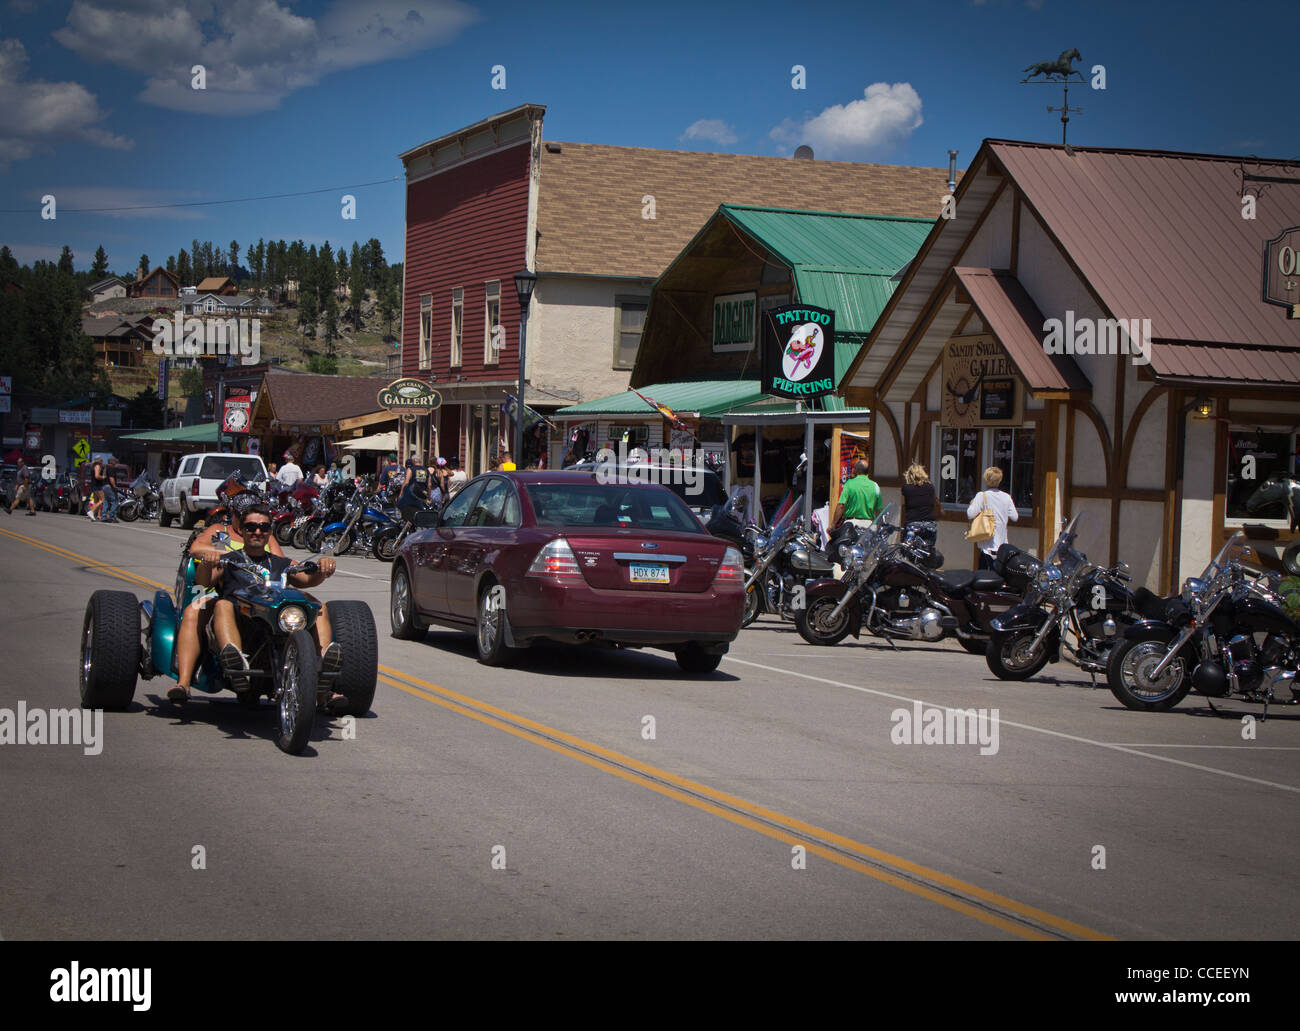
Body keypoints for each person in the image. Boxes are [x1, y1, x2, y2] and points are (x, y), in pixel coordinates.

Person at [206, 504, 345, 710]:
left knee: (317, 606)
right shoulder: (229, 560)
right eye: (251, 527)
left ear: (270, 532)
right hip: (240, 623)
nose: (257, 532)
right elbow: (202, 581)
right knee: (223, 605)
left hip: (275, 621)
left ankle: (323, 663)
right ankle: (235, 660)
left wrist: (322, 570)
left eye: (263, 527)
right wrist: (206, 562)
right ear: (242, 530)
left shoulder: (280, 563)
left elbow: (306, 579)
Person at [967, 466, 1018, 571]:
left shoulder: (982, 496)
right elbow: (1015, 517)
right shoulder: (1006, 497)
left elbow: (970, 514)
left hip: (987, 547)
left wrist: (972, 504)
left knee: (984, 578)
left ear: (986, 479)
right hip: (1002, 548)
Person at [832, 459, 881, 530]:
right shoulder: (875, 486)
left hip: (851, 524)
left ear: (857, 470)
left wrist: (833, 523)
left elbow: (841, 506)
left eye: (854, 468)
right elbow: (878, 510)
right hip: (869, 526)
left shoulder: (849, 484)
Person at [901, 463, 939, 549]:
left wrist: (903, 528)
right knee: (927, 552)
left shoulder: (906, 488)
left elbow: (903, 508)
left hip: (913, 525)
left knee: (909, 553)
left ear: (909, 475)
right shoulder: (930, 487)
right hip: (930, 525)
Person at [397, 450, 432, 523]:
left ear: (413, 461)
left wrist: (401, 493)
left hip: (412, 497)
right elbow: (429, 485)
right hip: (422, 496)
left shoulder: (411, 469)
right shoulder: (426, 470)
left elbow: (406, 482)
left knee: (408, 516)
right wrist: (429, 497)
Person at [101, 456, 120, 523]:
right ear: (111, 462)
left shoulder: (105, 468)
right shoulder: (112, 468)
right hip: (109, 486)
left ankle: (103, 516)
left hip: (104, 486)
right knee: (115, 501)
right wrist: (114, 486)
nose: (116, 462)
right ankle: (111, 516)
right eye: (115, 461)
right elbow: (111, 478)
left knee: (106, 501)